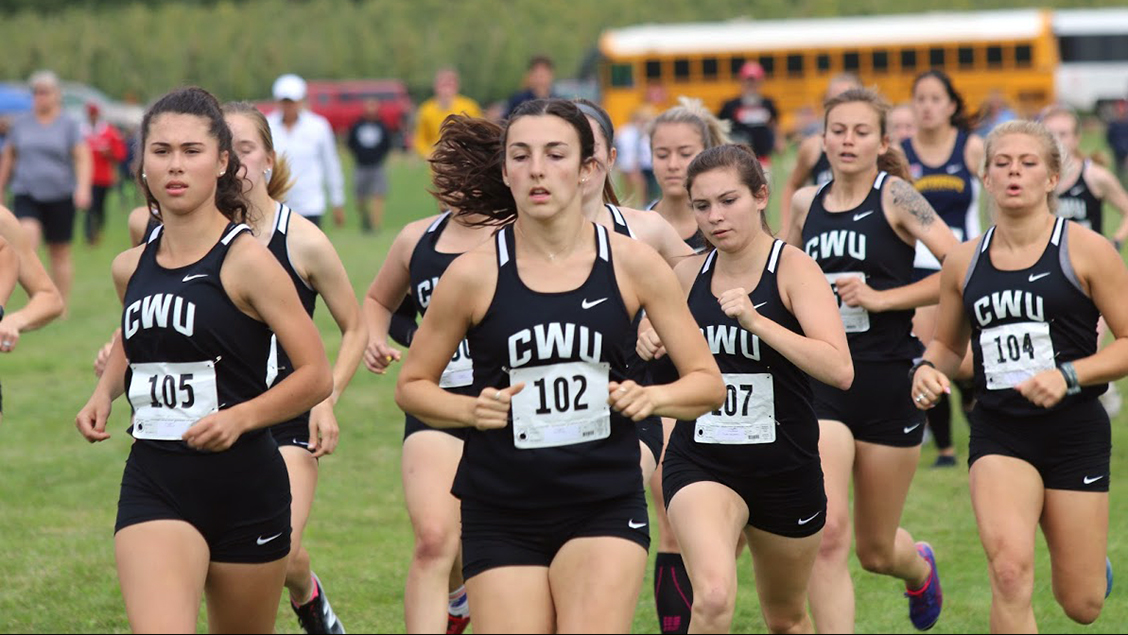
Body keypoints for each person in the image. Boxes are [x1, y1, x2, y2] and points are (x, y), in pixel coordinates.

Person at [395, 99, 725, 633]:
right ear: (505, 171)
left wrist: (653, 398)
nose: (537, 170)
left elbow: (708, 384)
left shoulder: (632, 262)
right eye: (521, 156)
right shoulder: (473, 275)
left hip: (603, 500)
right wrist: (468, 409)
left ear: (587, 168)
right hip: (500, 507)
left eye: (555, 154)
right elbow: (411, 387)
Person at [74, 86, 333, 633]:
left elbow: (315, 374)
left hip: (247, 487)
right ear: (141, 162)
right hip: (156, 480)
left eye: (192, 151)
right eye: (161, 150)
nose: (175, 165)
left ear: (221, 163)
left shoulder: (250, 264)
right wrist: (103, 392)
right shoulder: (130, 265)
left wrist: (240, 418)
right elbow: (144, 331)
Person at [911, 119, 1126, 633]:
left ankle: (1089, 568)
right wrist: (926, 371)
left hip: (1074, 429)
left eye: (1028, 163)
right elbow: (946, 344)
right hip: (1000, 431)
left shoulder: (1087, 249)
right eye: (1002, 163)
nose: (1014, 173)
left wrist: (1069, 375)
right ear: (985, 177)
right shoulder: (963, 261)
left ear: (1053, 177)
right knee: (1008, 573)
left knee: (1082, 604)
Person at [637, 144, 852, 633]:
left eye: (727, 201)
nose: (715, 217)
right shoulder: (686, 274)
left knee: (787, 619)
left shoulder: (793, 269)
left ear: (760, 196)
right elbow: (659, 354)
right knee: (712, 597)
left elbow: (839, 369)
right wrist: (650, 340)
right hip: (702, 460)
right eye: (702, 206)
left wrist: (758, 322)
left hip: (785, 465)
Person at [785, 87, 959, 633]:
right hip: (823, 383)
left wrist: (884, 298)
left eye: (862, 132)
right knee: (828, 532)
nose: (847, 141)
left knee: (877, 551)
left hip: (888, 382)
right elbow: (778, 274)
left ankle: (918, 567)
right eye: (837, 130)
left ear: (882, 141)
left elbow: (961, 270)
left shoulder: (899, 196)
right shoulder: (803, 203)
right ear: (823, 138)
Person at [224, 101, 365, 635]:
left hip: (286, 420)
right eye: (225, 149)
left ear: (268, 158)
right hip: (213, 416)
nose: (236, 162)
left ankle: (308, 598)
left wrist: (327, 399)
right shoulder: (194, 238)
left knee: (277, 550)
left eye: (246, 149)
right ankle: (305, 587)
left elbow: (355, 326)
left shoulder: (302, 240)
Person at [362, 164, 499, 634]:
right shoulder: (416, 239)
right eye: (445, 173)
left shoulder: (519, 234)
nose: (453, 186)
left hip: (507, 411)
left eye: (464, 170)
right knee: (434, 538)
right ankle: (455, 603)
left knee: (487, 542)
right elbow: (383, 303)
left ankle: (461, 599)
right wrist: (380, 337)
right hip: (434, 405)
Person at [574, 98, 694, 489]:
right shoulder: (509, 239)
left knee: (609, 493)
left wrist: (660, 320)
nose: (577, 160)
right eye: (562, 147)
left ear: (610, 157)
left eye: (586, 145)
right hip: (539, 420)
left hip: (631, 412)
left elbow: (710, 280)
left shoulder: (647, 229)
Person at [645, 95, 730, 635]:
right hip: (664, 383)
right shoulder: (638, 227)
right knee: (671, 516)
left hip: (738, 387)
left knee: (729, 533)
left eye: (686, 152)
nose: (674, 164)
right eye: (662, 153)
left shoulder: (728, 222)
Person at [903, 70, 986, 468]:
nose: (928, 106)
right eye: (920, 98)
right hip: (917, 269)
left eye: (936, 99)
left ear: (952, 106)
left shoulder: (970, 148)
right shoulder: (901, 153)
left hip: (963, 264)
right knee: (925, 354)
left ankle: (972, 395)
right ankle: (946, 450)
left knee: (965, 360)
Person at [0, 70, 91, 308]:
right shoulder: (21, 123)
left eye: (45, 92)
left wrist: (83, 188)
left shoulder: (68, 124)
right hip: (26, 191)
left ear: (56, 94)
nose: (40, 97)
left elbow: (82, 157)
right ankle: (38, 297)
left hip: (60, 193)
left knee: (59, 250)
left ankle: (59, 304)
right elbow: (9, 158)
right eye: (36, 92)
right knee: (26, 238)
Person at [779, 73, 864, 232]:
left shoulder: (873, 146)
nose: (842, 106)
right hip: (822, 234)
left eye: (849, 98)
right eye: (835, 100)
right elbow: (792, 186)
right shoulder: (813, 146)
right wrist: (787, 228)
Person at [267, 74, 346, 228]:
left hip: (310, 204)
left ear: (301, 101)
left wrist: (337, 201)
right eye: (285, 102)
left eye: (292, 102)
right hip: (277, 204)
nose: (288, 106)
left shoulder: (318, 126)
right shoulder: (267, 126)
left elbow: (331, 164)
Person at [717, 62, 780, 165]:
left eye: (754, 81)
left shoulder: (767, 103)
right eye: (748, 81)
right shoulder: (730, 105)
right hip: (738, 158)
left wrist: (778, 141)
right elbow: (720, 126)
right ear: (741, 81)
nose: (751, 85)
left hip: (762, 157)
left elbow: (774, 122)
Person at [82, 101, 127, 246]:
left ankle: (99, 230)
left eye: (94, 113)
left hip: (103, 177)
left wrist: (109, 153)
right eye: (90, 114)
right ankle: (90, 236)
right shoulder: (81, 131)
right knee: (89, 206)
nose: (92, 116)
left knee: (100, 207)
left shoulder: (109, 132)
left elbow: (121, 154)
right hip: (87, 177)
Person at [413, 68, 483, 160]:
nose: (446, 89)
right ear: (436, 86)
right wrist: (428, 153)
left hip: (463, 159)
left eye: (450, 84)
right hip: (438, 160)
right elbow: (420, 139)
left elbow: (480, 133)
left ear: (457, 86)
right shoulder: (426, 109)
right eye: (443, 85)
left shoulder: (470, 107)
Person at [347, 98, 393, 233]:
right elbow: (351, 143)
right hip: (361, 165)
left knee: (378, 195)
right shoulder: (357, 125)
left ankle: (375, 225)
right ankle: (365, 218)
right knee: (360, 197)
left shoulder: (382, 125)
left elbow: (387, 144)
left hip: (377, 165)